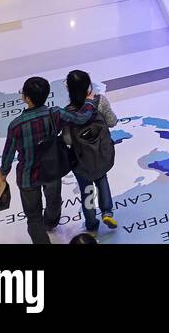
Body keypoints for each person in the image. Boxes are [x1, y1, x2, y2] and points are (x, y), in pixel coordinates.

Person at [0, 76, 95, 244]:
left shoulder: (16, 125)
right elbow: (81, 118)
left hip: (28, 176)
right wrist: (89, 101)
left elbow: (8, 153)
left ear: (26, 98)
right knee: (54, 201)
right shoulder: (55, 113)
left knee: (33, 217)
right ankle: (50, 222)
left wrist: (3, 173)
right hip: (52, 169)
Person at [63, 70, 118, 232]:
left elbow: (67, 140)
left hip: (81, 160)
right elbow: (112, 121)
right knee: (102, 180)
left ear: (69, 89)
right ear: (88, 84)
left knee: (86, 191)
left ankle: (92, 223)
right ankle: (107, 212)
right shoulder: (100, 101)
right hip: (101, 153)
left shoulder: (67, 113)